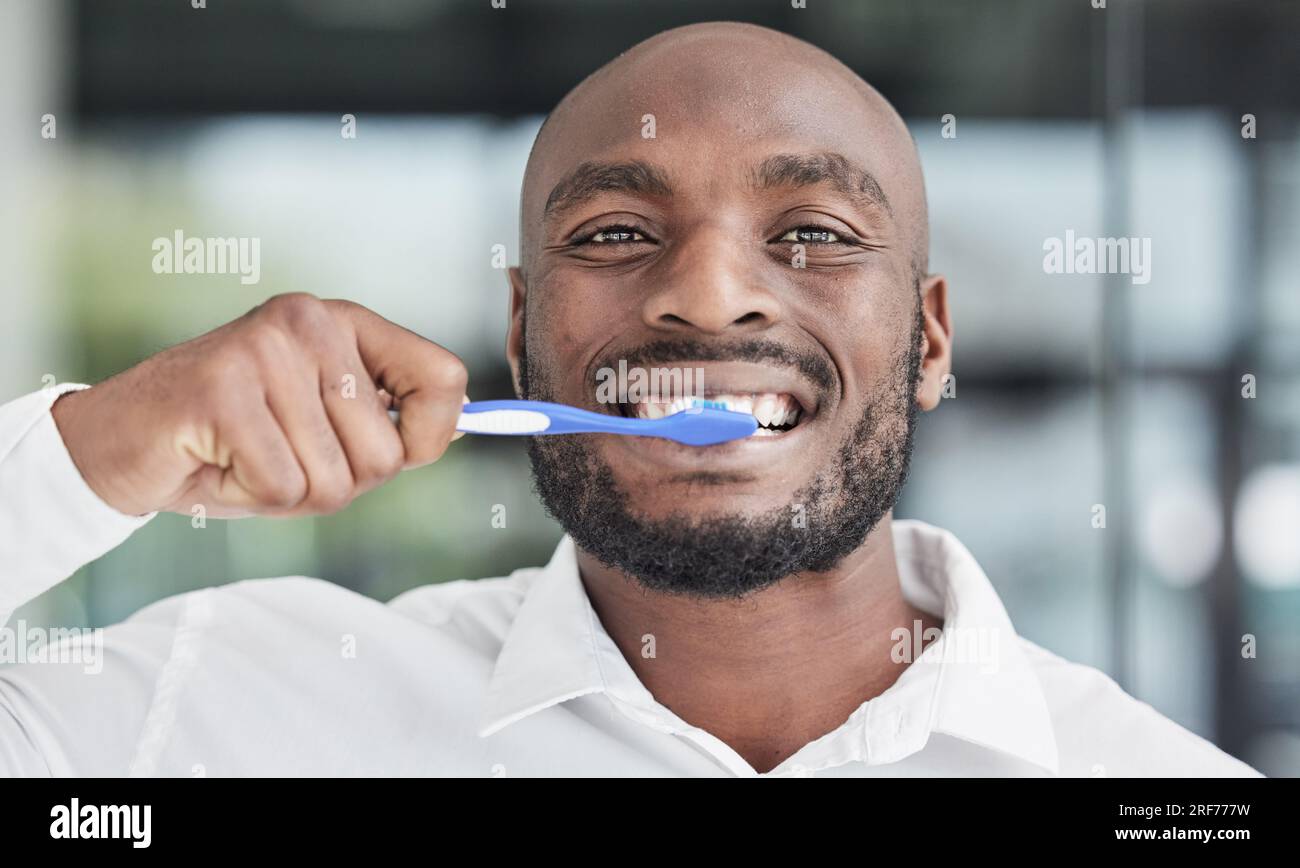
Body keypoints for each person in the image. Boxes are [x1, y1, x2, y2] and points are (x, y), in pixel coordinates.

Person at [0, 22, 1258, 777]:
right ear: (520, 331)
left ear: (929, 341)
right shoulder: (223, 709)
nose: (707, 297)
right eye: (610, 233)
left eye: (813, 231)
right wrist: (88, 455)